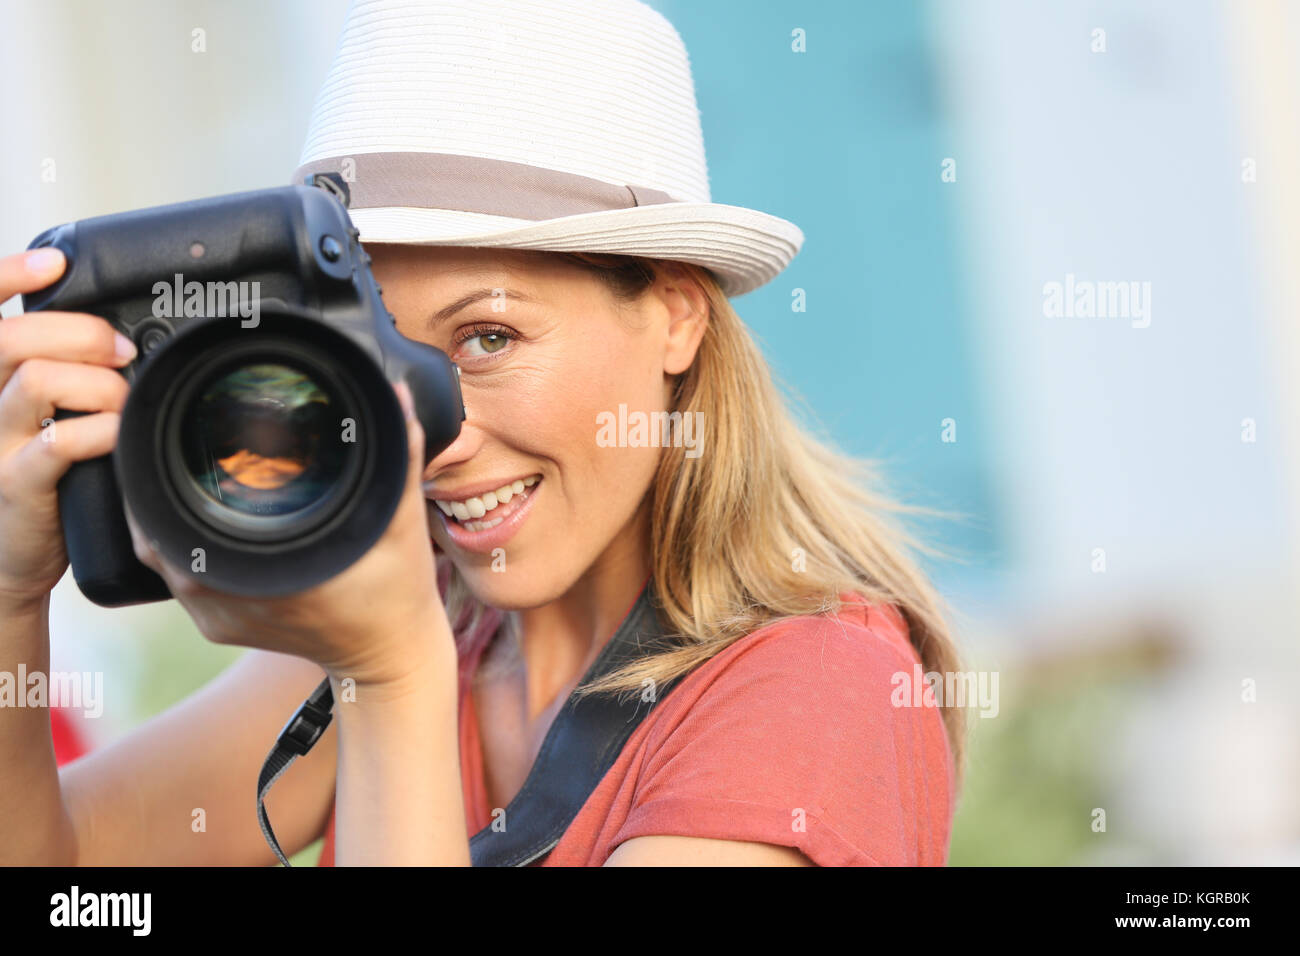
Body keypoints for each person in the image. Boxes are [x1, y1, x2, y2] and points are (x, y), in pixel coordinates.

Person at [0, 0, 963, 866]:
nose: (431, 432)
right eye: (380, 356)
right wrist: (9, 594)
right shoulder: (437, 615)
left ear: (674, 314)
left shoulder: (820, 691)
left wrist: (390, 679)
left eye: (488, 338)